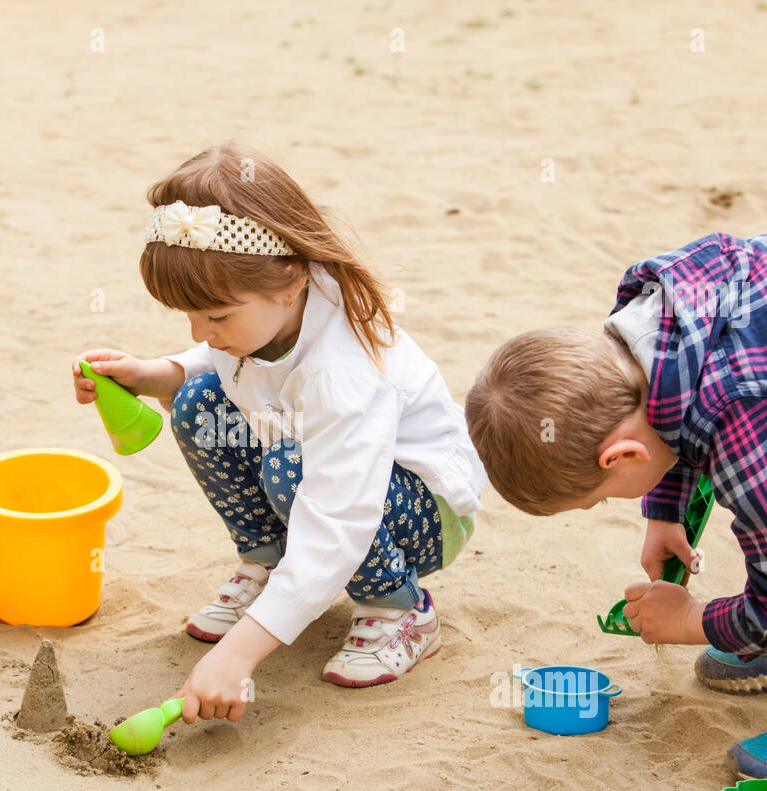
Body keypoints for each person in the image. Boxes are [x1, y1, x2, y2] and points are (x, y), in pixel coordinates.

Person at [465, 194, 767, 790]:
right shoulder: (656, 311)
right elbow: (676, 406)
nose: (610, 504)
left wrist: (693, 619)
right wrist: (665, 511)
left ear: (620, 457)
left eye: (602, 496)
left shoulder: (746, 407)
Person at [71, 142, 487, 723]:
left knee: (288, 468)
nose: (203, 331)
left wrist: (238, 656)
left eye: (216, 316)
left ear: (289, 281)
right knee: (197, 402)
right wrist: (155, 375)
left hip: (421, 515)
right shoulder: (269, 312)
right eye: (189, 317)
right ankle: (270, 568)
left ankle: (401, 609)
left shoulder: (341, 372)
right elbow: (235, 369)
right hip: (322, 475)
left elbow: (340, 517)